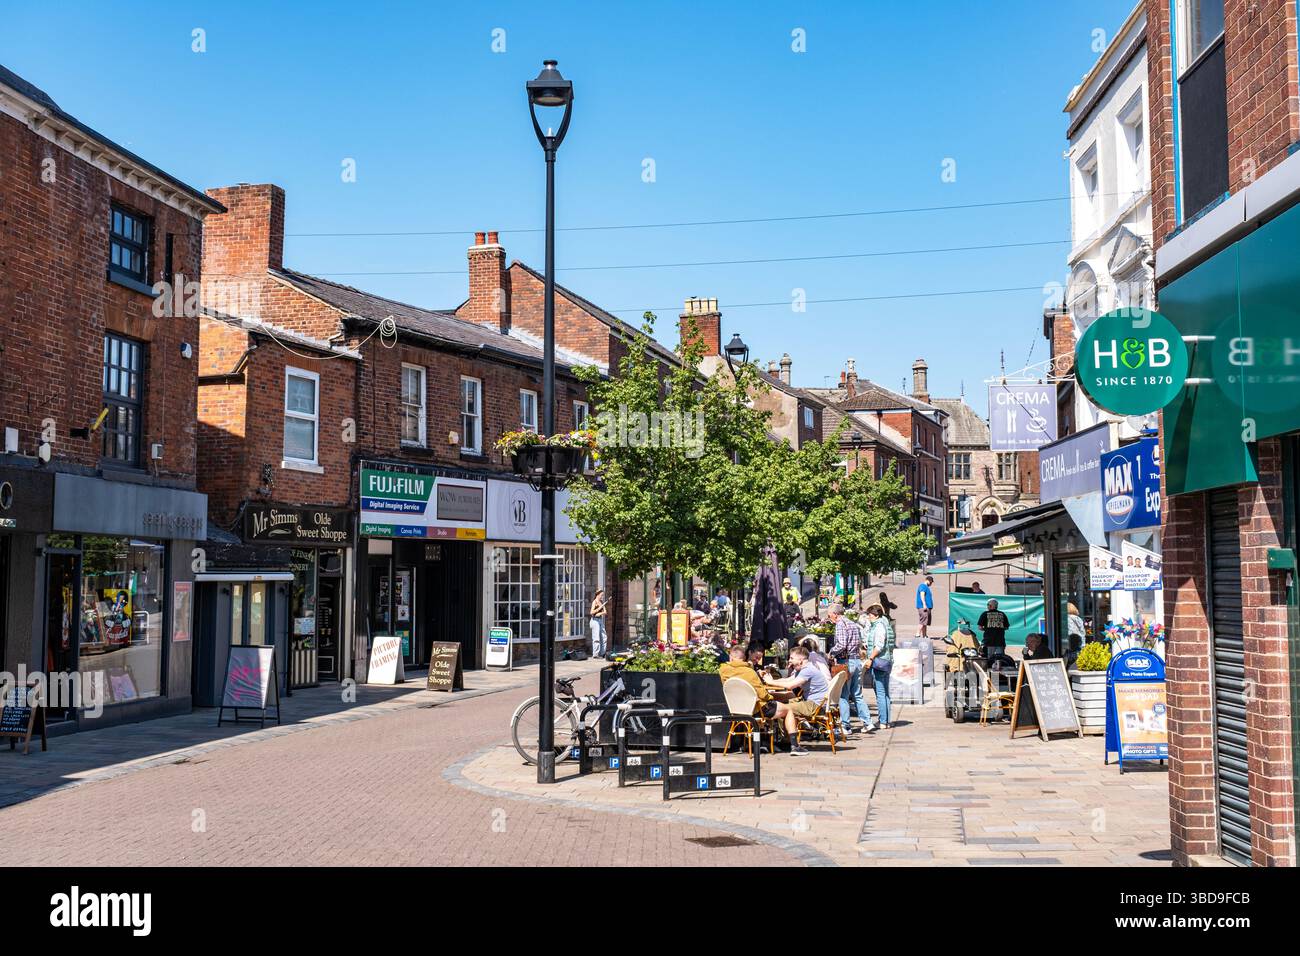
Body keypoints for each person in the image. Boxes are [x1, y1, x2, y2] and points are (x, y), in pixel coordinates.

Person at [765, 645, 831, 756]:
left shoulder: (808, 670)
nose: (789, 660)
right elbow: (787, 679)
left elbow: (790, 685)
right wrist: (769, 680)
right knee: (781, 704)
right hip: (811, 702)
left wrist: (771, 682)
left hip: (814, 705)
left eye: (791, 658)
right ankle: (786, 741)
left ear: (800, 660)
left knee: (783, 708)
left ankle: (791, 744)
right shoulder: (802, 669)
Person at [827, 603, 869, 737]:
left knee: (843, 695)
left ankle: (846, 726)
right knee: (857, 693)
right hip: (856, 660)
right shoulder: (852, 623)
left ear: (835, 614)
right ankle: (867, 722)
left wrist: (831, 652)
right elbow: (859, 642)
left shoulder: (840, 624)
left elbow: (841, 644)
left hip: (846, 661)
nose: (829, 618)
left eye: (829, 615)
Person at [719, 644, 782, 723]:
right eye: (756, 657)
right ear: (745, 657)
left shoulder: (722, 670)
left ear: (730, 657)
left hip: (734, 708)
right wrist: (771, 697)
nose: (758, 660)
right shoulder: (749, 672)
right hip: (754, 709)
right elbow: (763, 694)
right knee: (787, 709)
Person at [864, 603, 894, 730]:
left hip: (879, 661)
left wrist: (871, 658)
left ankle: (883, 721)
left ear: (876, 615)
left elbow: (879, 646)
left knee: (881, 693)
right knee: (885, 693)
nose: (868, 618)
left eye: (870, 615)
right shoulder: (884, 624)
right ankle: (886, 721)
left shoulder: (879, 626)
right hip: (886, 660)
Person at [589, 589, 608, 658]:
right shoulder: (595, 602)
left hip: (600, 620)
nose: (602, 596)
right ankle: (595, 654)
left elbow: (605, 612)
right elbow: (591, 612)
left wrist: (600, 613)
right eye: (601, 595)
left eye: (603, 595)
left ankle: (603, 653)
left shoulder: (601, 602)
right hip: (594, 621)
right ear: (597, 595)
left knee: (604, 637)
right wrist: (598, 609)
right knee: (596, 637)